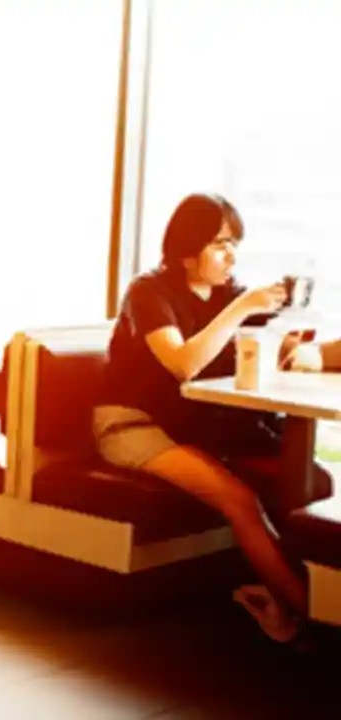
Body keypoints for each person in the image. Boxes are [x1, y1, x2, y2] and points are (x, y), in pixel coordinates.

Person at [91, 193, 310, 643]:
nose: (231, 255)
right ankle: (314, 619)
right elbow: (182, 363)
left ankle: (284, 601)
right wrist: (243, 308)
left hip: (192, 424)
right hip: (133, 426)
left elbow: (256, 352)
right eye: (221, 243)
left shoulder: (228, 294)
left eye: (235, 244)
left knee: (306, 480)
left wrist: (295, 343)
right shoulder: (149, 291)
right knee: (240, 499)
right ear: (188, 250)